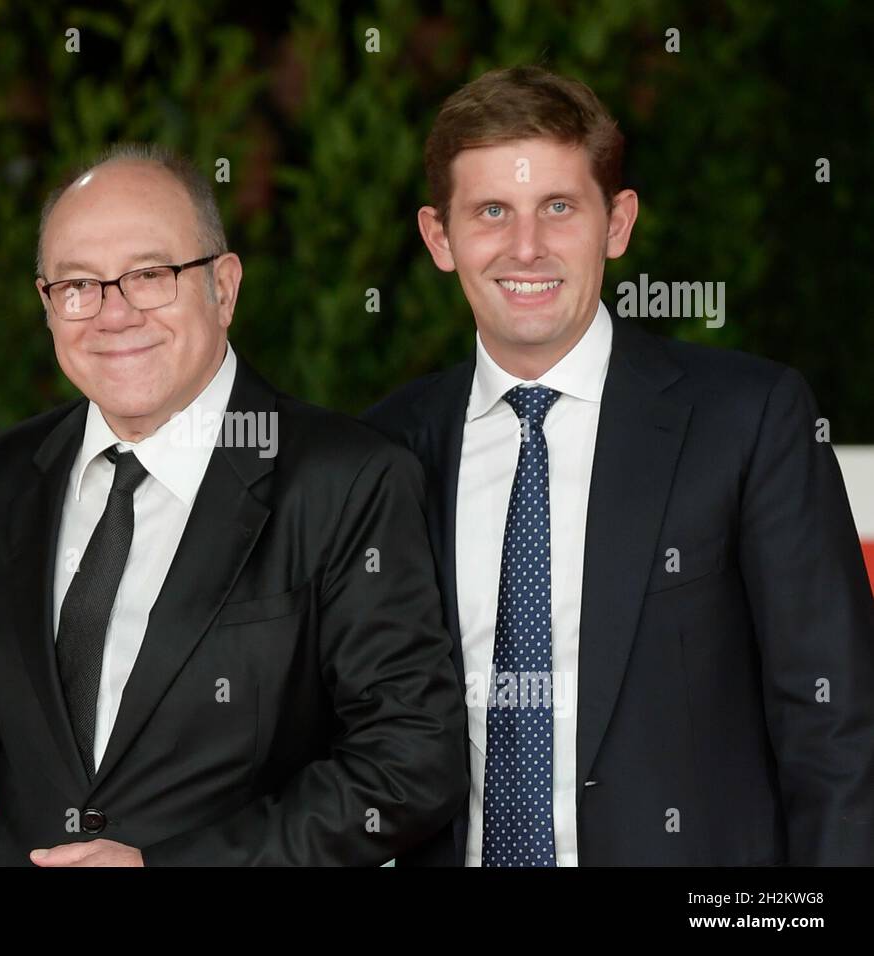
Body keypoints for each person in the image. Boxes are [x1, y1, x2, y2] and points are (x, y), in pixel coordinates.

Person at [364, 65, 874, 866]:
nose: (525, 246)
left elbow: (835, 724)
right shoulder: (387, 447)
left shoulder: (749, 417)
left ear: (618, 223)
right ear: (439, 236)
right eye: (492, 211)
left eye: (558, 208)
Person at [0, 143, 467, 866]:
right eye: (78, 285)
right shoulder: (2, 476)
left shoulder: (344, 481)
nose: (113, 313)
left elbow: (410, 764)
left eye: (149, 275)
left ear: (223, 288)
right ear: (47, 304)